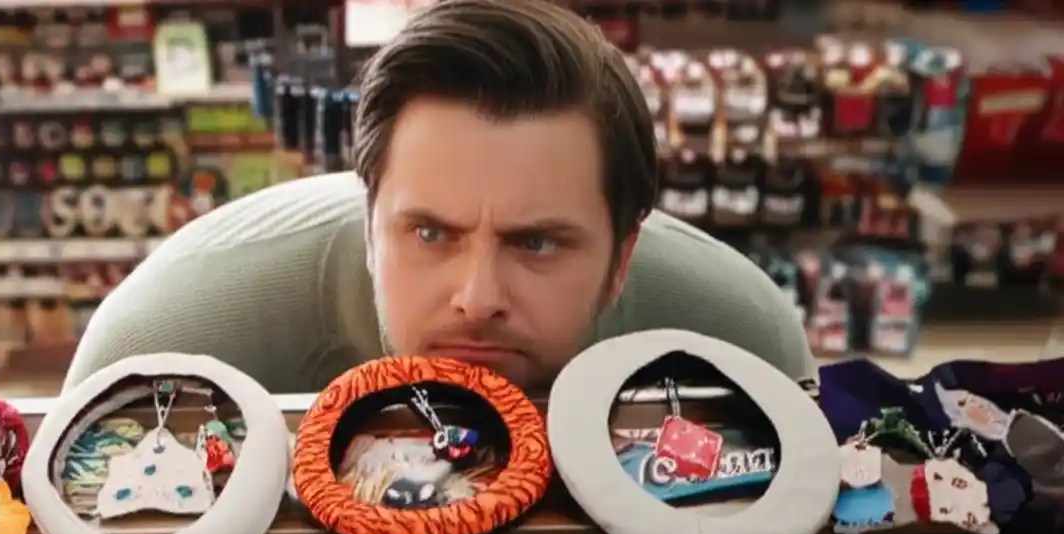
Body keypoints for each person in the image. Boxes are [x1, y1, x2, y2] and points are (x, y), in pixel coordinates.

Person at [65, 0, 813, 394]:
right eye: (429, 234)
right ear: (368, 227)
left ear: (623, 259)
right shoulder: (167, 348)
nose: (476, 298)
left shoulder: (741, 348)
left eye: (536, 242)